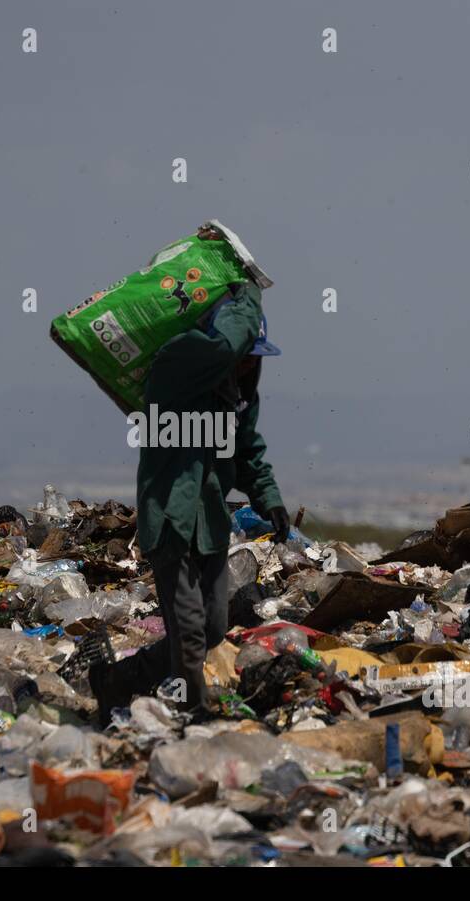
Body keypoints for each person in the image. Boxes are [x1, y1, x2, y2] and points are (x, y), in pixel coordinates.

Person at [89, 281, 287, 724]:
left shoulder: (235, 399)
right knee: (190, 633)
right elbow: (222, 345)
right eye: (247, 356)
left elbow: (248, 449)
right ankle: (192, 713)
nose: (251, 366)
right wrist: (249, 297)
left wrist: (269, 498)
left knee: (213, 626)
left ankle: (117, 681)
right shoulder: (174, 371)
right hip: (171, 519)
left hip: (210, 524)